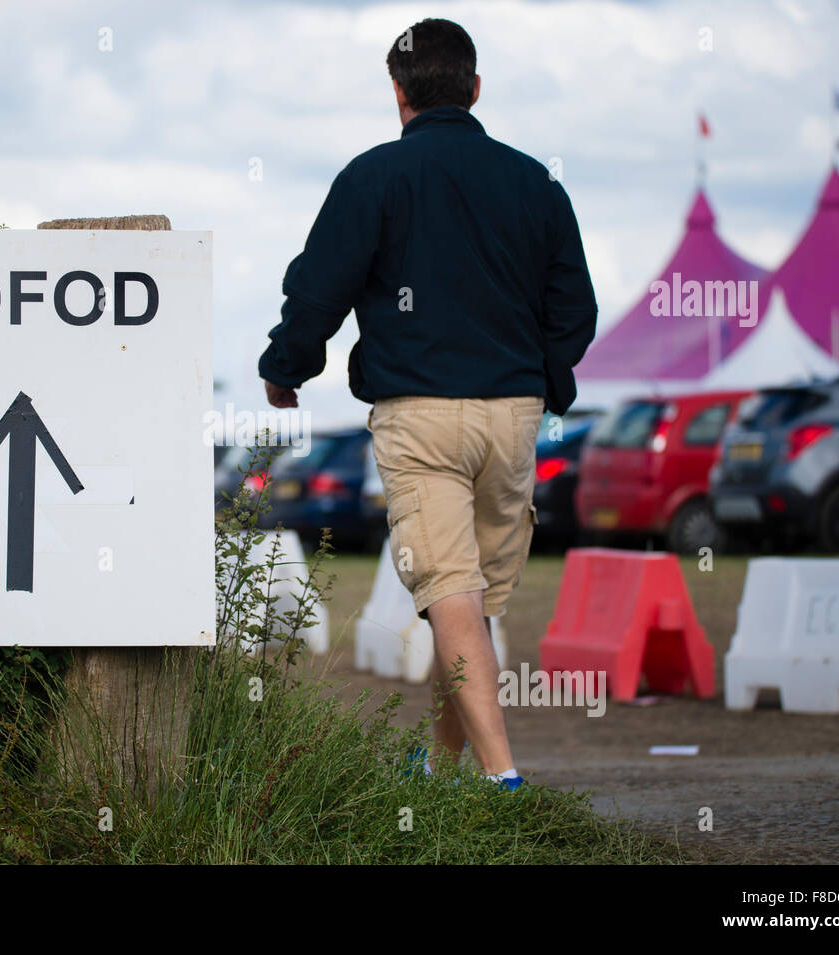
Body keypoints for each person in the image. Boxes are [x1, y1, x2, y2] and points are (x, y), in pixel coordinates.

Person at [258, 17, 596, 790]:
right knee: (470, 597)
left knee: (449, 588)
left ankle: (501, 777)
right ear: (475, 90)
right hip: (514, 416)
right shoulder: (536, 184)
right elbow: (574, 311)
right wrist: (542, 375)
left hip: (419, 413)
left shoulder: (374, 177)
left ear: (399, 94)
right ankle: (439, 761)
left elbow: (320, 287)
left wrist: (287, 368)